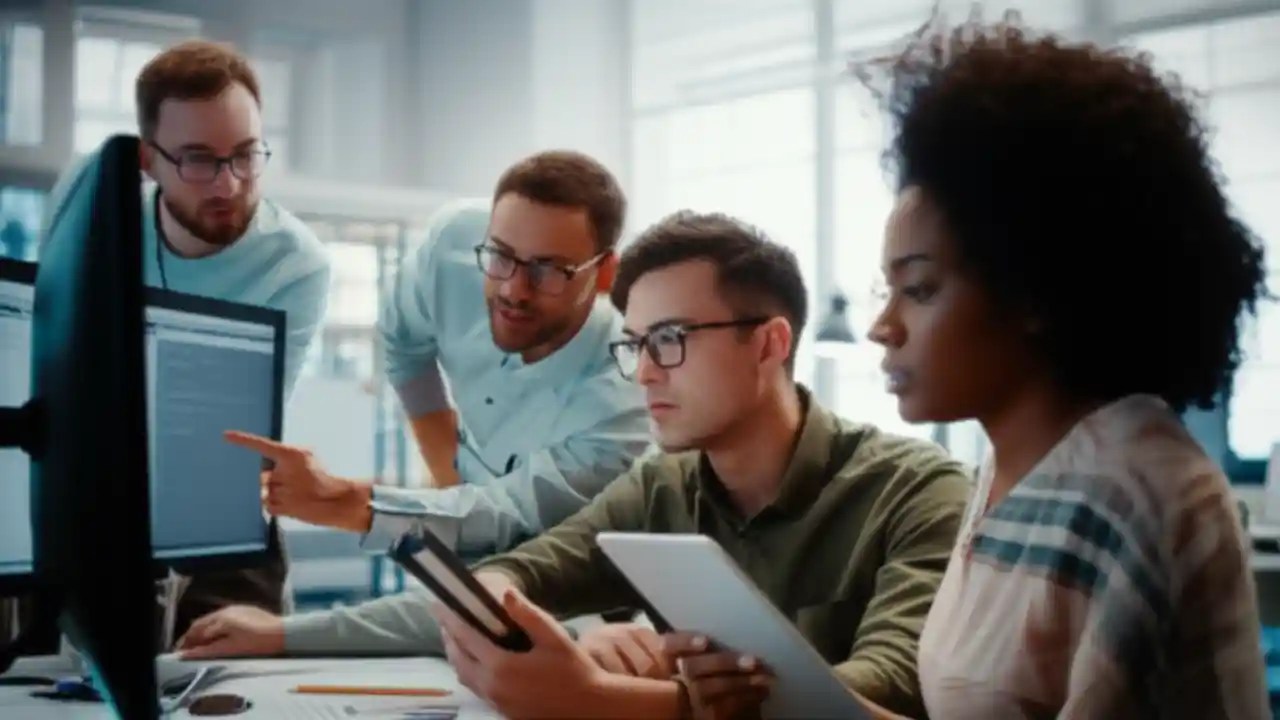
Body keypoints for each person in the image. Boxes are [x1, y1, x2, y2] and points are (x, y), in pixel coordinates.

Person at [671, 14, 1271, 720]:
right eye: (888, 289)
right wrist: (774, 697)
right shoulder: (1007, 474)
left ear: (1034, 288)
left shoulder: (1138, 493)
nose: (883, 326)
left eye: (920, 289)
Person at [180, 211, 972, 720]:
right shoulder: (662, 485)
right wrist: (544, 632)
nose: (645, 373)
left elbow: (878, 694)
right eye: (636, 345)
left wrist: (629, 693)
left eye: (671, 340)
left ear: (769, 343)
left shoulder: (918, 492)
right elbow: (514, 573)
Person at [29, 39, 332, 643]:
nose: (228, 184)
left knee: (235, 671)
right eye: (198, 160)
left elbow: (239, 430)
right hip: (97, 488)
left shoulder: (296, 263)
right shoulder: (93, 217)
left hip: (219, 492)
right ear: (148, 160)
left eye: (246, 155)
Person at [222, 150, 650, 558]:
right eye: (501, 255)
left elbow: (508, 515)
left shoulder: (624, 402)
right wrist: (448, 475)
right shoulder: (454, 243)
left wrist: (343, 502)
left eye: (548, 269)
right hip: (449, 539)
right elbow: (403, 343)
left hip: (551, 569)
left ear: (605, 274)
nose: (512, 290)